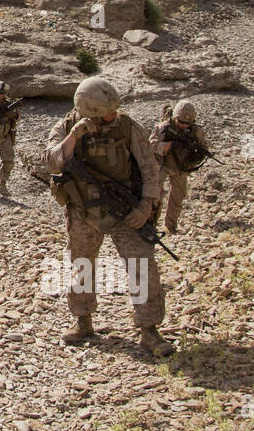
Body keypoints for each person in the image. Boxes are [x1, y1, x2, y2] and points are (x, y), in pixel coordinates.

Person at [43, 76, 173, 357]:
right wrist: (75, 135)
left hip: (126, 212)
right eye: (107, 113)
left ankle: (148, 330)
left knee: (142, 266)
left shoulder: (127, 126)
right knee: (82, 266)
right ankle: (83, 320)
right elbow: (52, 162)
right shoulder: (66, 126)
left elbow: (150, 168)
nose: (114, 115)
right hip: (84, 211)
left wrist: (146, 206)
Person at [150, 98, 212, 235]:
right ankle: (151, 226)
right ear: (175, 118)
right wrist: (169, 145)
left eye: (187, 123)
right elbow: (150, 146)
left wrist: (197, 155)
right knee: (155, 197)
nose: (184, 125)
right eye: (181, 122)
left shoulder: (195, 131)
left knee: (177, 197)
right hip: (163, 165)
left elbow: (204, 147)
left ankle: (170, 227)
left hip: (181, 168)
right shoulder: (163, 128)